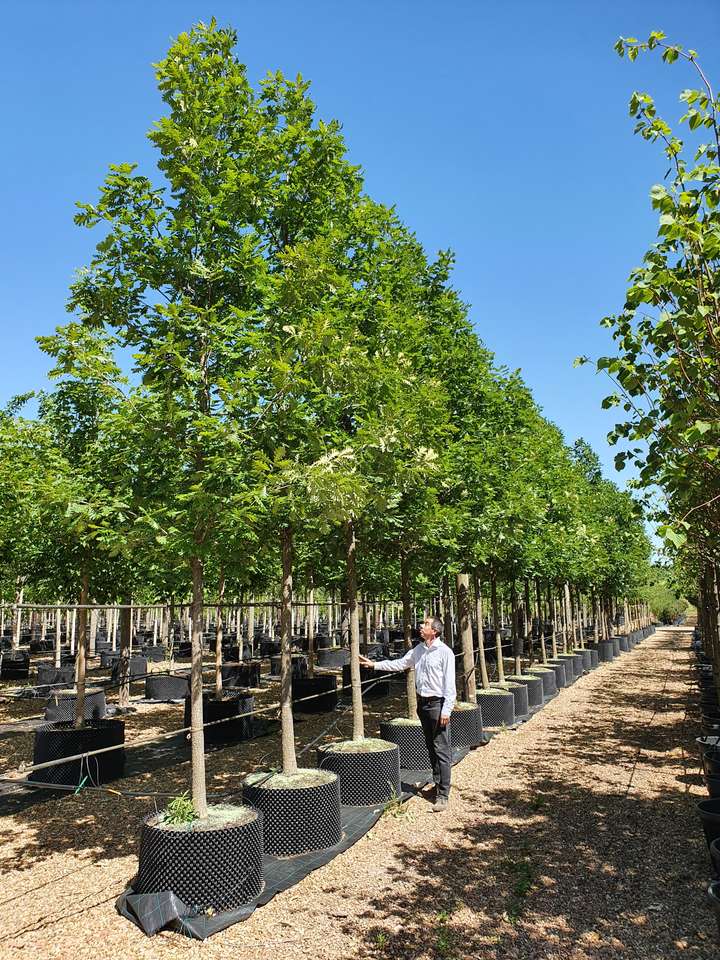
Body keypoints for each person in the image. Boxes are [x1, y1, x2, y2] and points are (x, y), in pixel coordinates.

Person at [359, 616, 456, 812]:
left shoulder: (445, 653)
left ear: (435, 631)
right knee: (431, 747)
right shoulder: (418, 650)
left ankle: (443, 795)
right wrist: (374, 665)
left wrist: (447, 710)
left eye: (426, 624)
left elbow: (450, 685)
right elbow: (400, 664)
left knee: (442, 750)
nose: (421, 626)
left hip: (438, 705)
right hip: (423, 705)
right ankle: (437, 787)